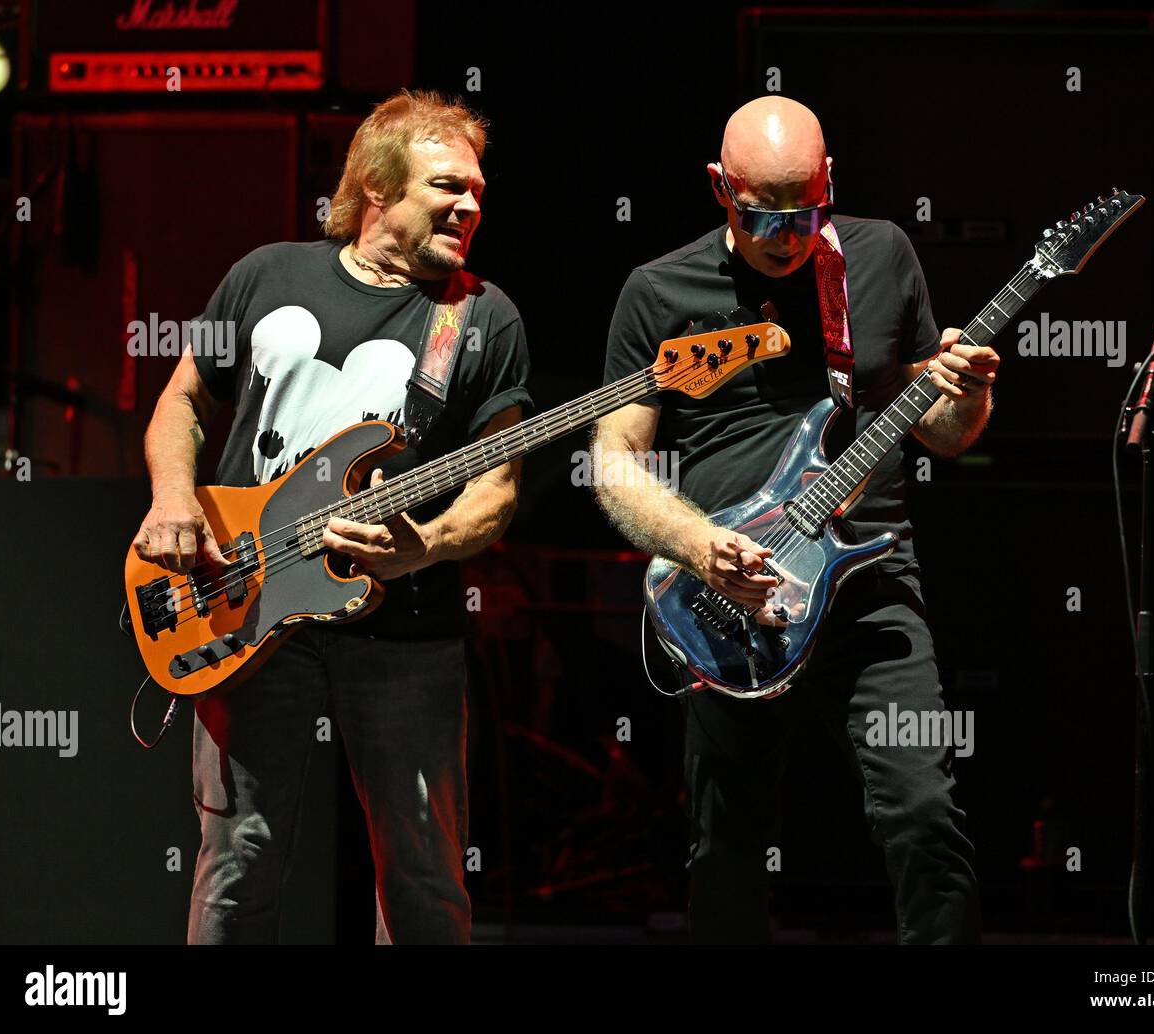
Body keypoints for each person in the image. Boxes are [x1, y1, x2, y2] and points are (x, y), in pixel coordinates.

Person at [593, 95, 998, 943]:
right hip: (729, 595)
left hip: (868, 580)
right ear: (718, 188)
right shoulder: (658, 292)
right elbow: (614, 461)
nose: (785, 234)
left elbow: (946, 432)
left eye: (805, 210)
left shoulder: (879, 253)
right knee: (727, 843)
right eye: (761, 214)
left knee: (924, 810)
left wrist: (971, 393)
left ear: (830, 183)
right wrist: (699, 546)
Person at [131, 89, 532, 944]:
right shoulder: (266, 274)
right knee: (238, 863)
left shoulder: (483, 318)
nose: (471, 204)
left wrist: (423, 546)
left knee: (424, 881)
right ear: (378, 187)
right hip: (239, 608)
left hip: (406, 634)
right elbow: (183, 404)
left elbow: (497, 488)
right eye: (447, 185)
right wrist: (172, 499)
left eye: (478, 190)